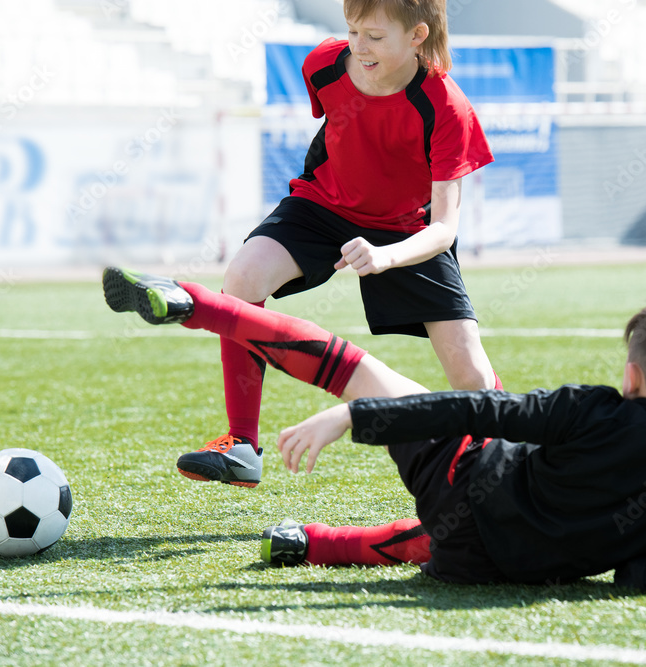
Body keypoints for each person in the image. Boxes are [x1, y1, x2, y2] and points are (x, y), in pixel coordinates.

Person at [102, 268, 646, 594]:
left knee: (355, 368)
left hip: (458, 482)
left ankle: (195, 301)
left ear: (630, 375)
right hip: (472, 565)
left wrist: (354, 415)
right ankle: (310, 544)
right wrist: (614, 557)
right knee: (459, 535)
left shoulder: (595, 407)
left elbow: (475, 410)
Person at [165, 0, 500, 488]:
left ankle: (507, 463)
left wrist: (385, 256)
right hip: (322, 206)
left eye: (374, 36)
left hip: (407, 231)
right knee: (242, 278)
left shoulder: (448, 107)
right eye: (352, 31)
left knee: (470, 370)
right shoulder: (322, 65)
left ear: (417, 36)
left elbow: (443, 230)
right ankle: (241, 445)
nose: (358, 46)